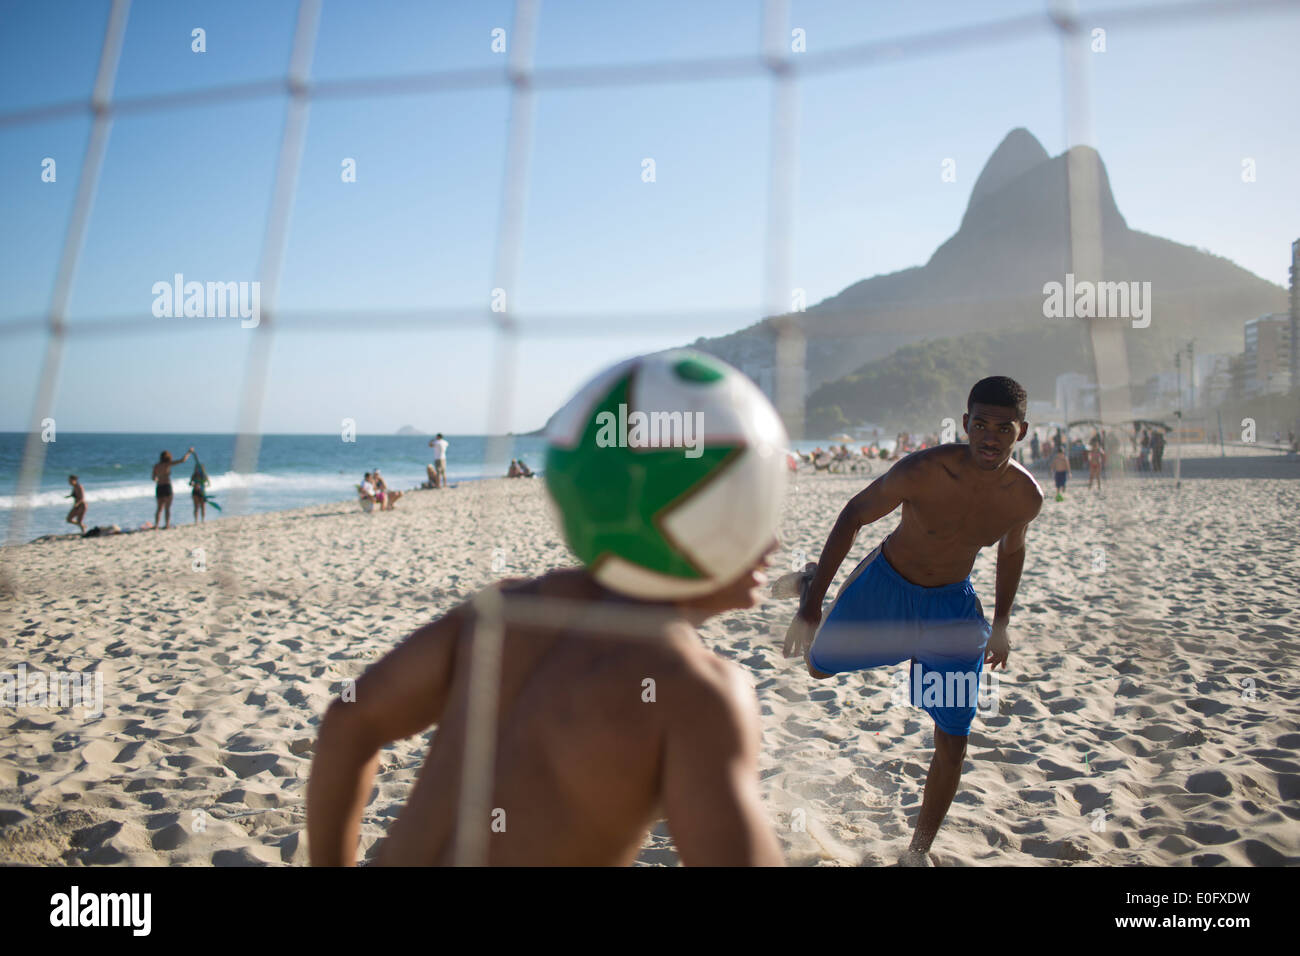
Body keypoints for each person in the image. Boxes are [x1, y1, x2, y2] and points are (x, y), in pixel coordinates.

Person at [309, 361, 787, 868]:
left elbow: (348, 720)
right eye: (759, 508)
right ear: (695, 520)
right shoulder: (696, 691)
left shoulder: (503, 612)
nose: (776, 542)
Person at [779, 376, 1043, 865]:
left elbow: (1012, 551)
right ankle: (811, 579)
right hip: (886, 588)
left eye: (1003, 428)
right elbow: (854, 515)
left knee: (954, 738)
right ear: (965, 423)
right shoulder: (924, 470)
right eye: (980, 424)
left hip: (951, 613)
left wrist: (1002, 623)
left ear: (1021, 431)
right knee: (817, 668)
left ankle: (917, 852)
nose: (989, 437)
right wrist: (813, 602)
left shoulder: (1025, 497)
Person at [151, 447, 194, 529]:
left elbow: (153, 478)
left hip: (159, 487)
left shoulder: (156, 466)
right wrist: (189, 452)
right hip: (167, 486)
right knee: (167, 508)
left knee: (159, 508)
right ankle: (167, 525)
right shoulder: (168, 464)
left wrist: (157, 479)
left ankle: (156, 525)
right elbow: (182, 460)